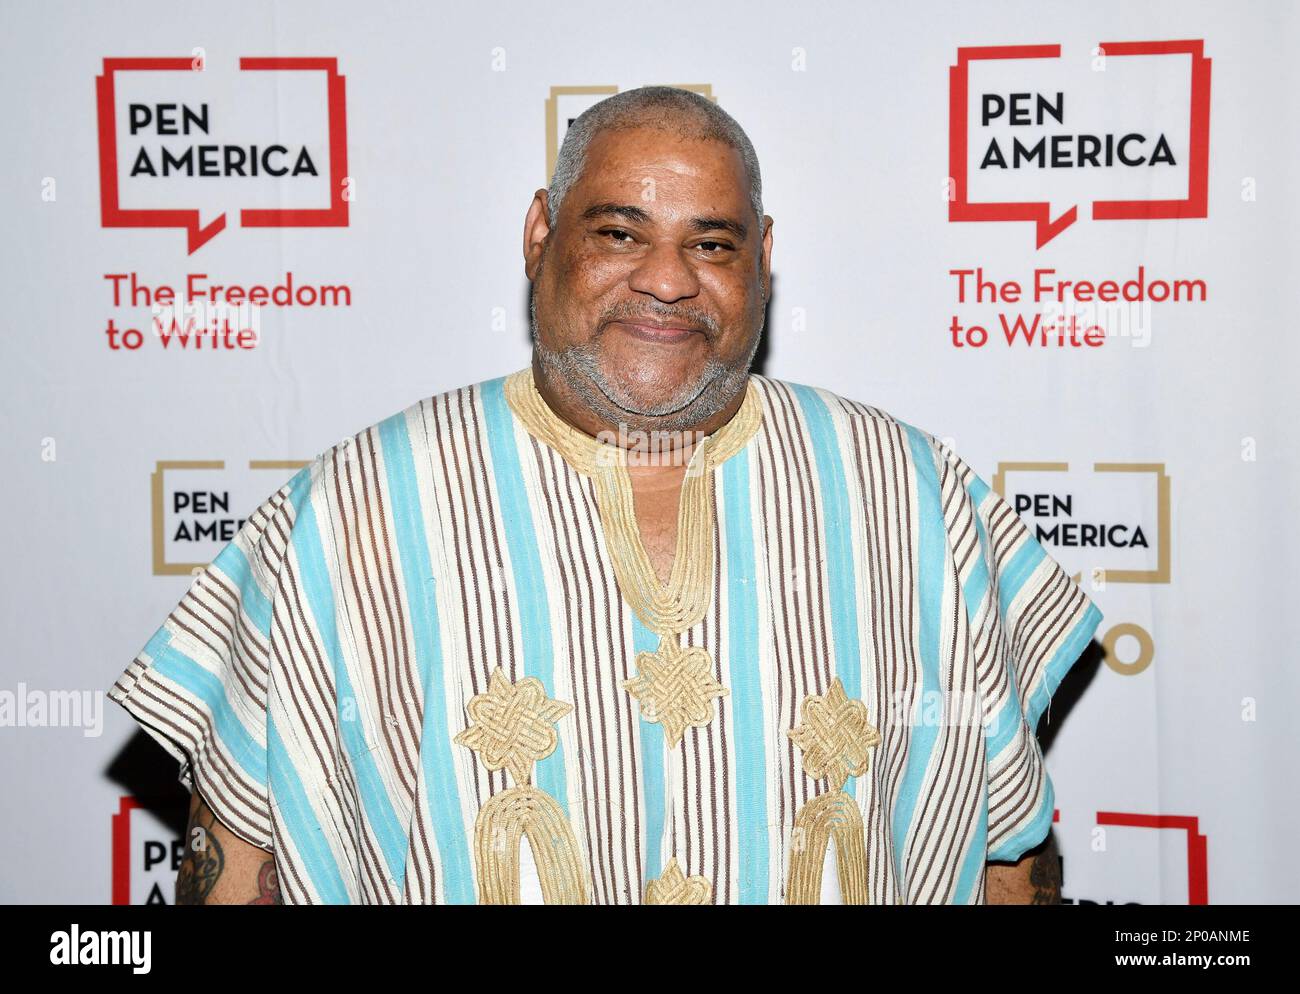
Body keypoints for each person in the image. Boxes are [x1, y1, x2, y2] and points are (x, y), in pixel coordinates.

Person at [108, 85, 1102, 905]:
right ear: (539, 234)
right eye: (621, 232)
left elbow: (1006, 860)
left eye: (711, 244)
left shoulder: (913, 494)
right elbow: (236, 873)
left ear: (762, 260)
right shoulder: (350, 508)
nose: (666, 281)